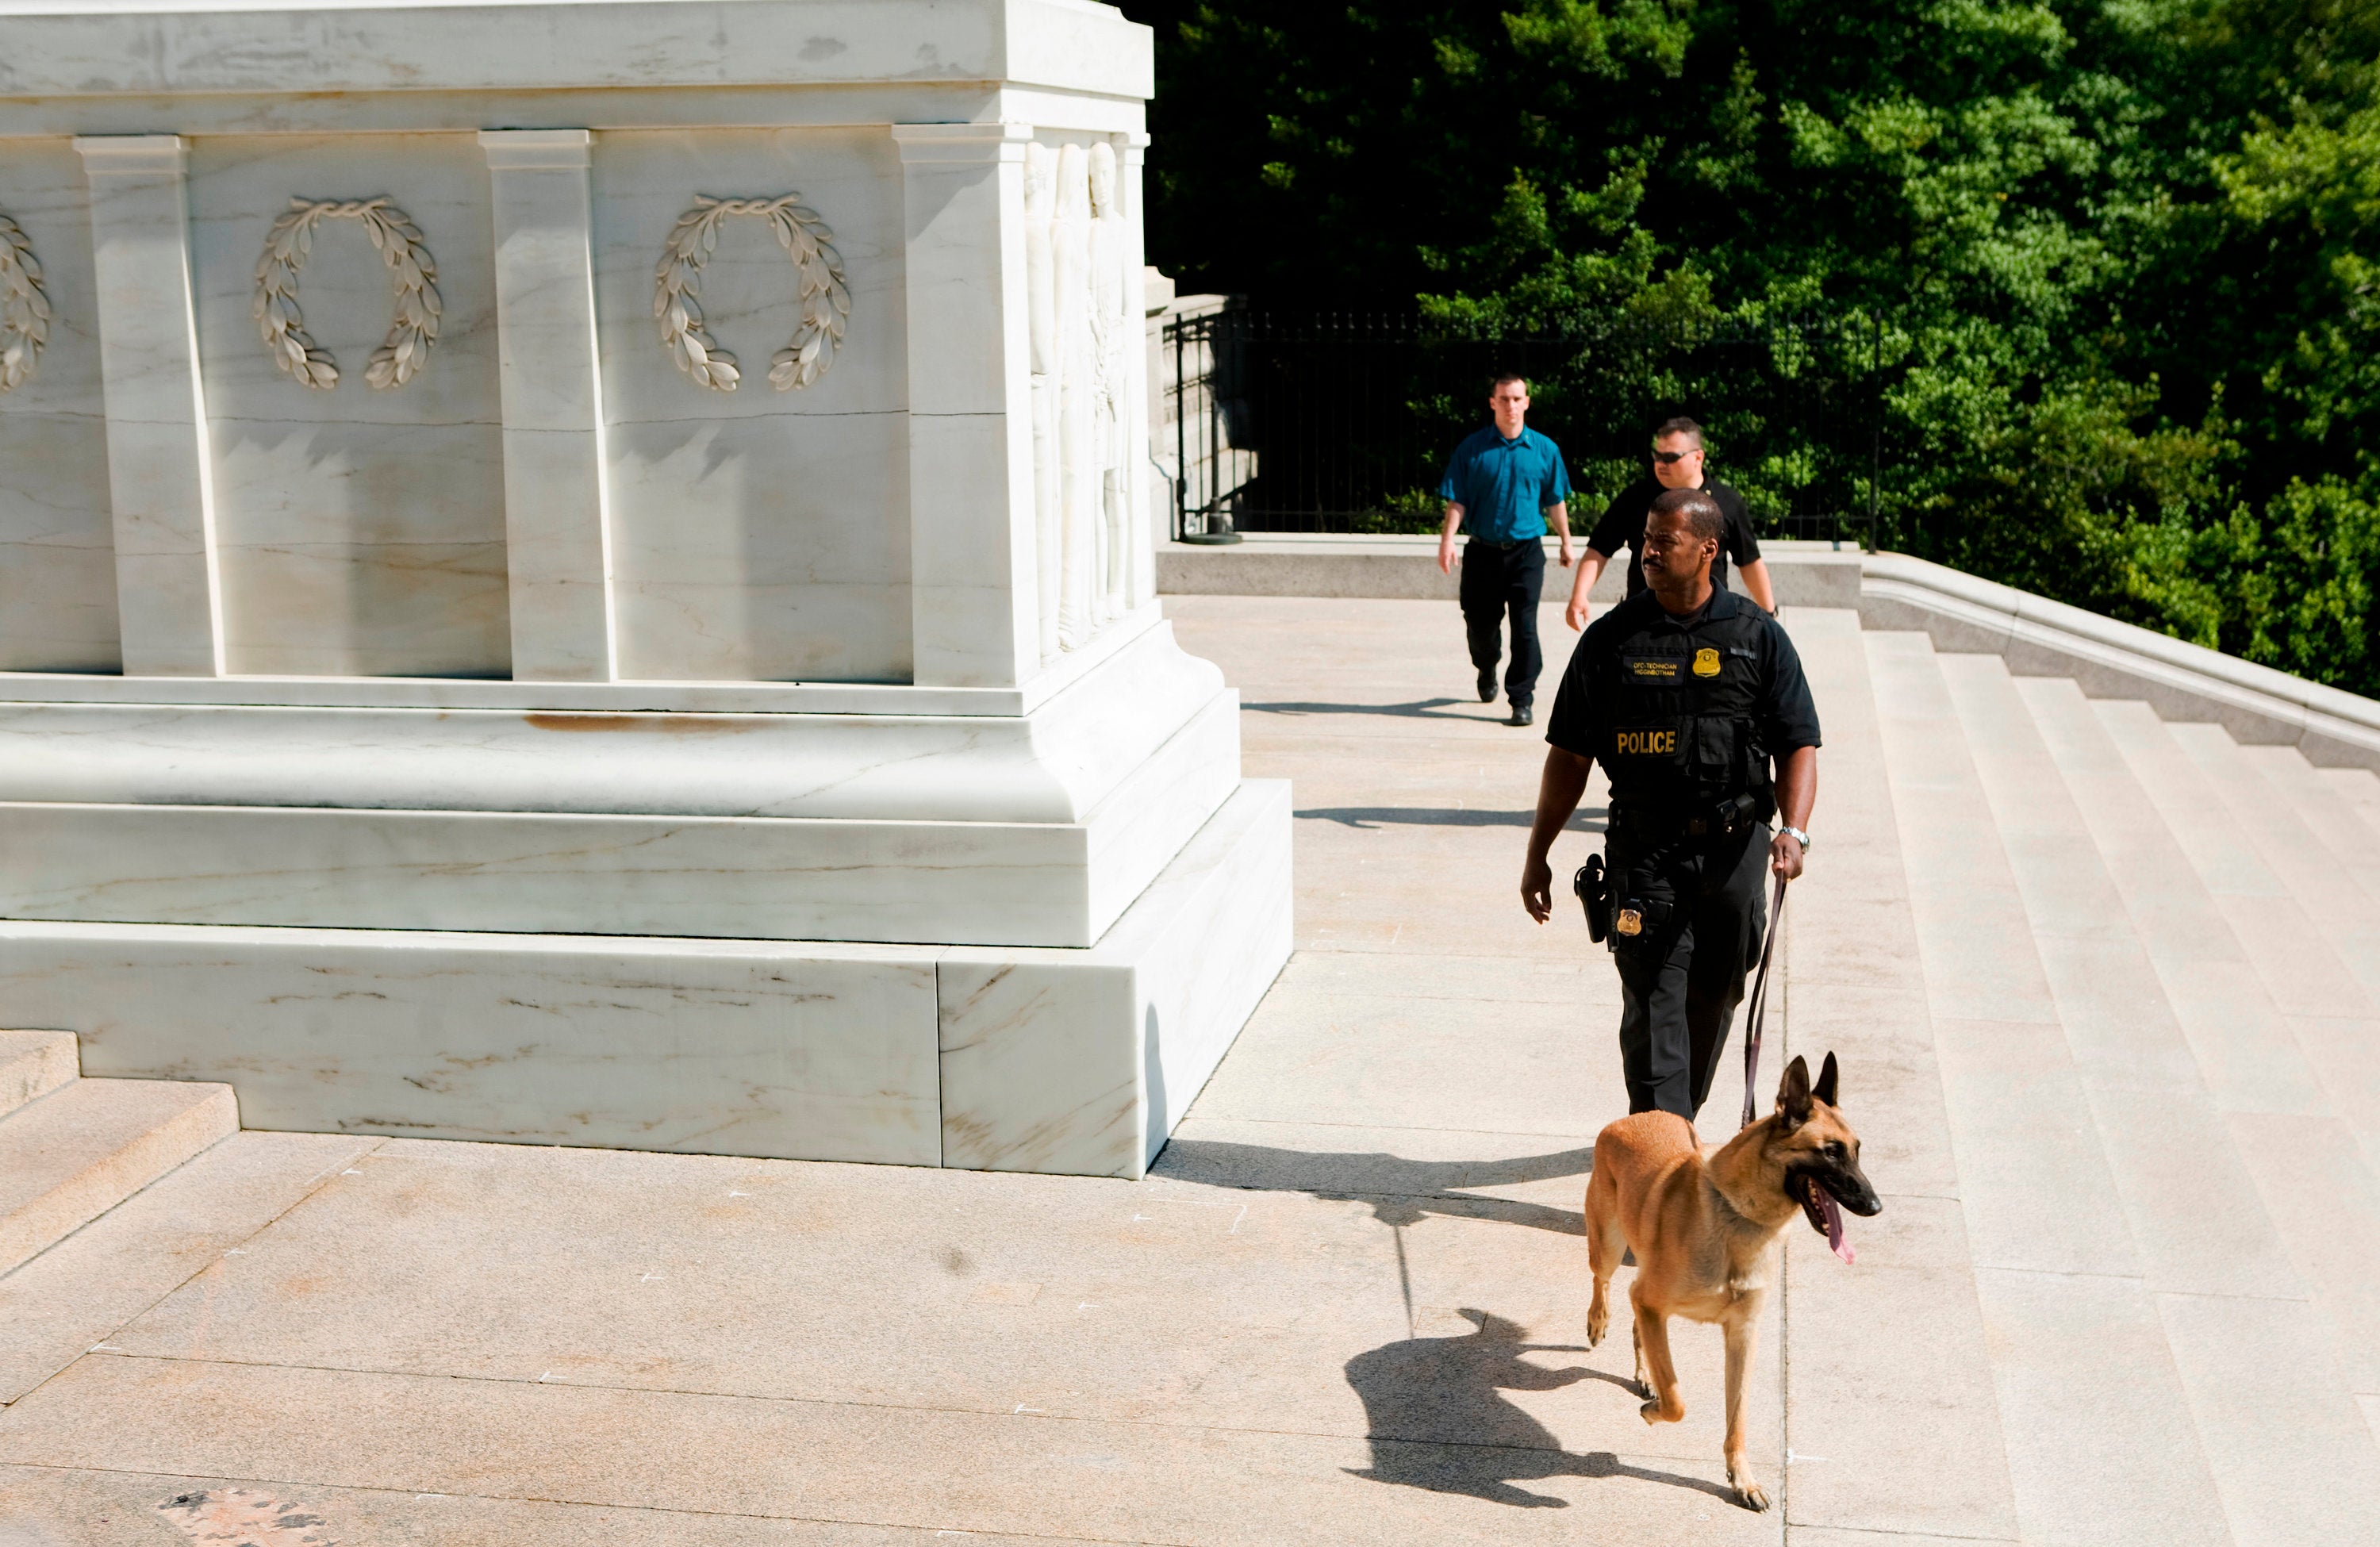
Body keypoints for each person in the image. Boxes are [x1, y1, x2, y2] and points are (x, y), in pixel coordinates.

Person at [1520, 487, 1820, 1119]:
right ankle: (1663, 1150)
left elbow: (1799, 744)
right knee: (1654, 1003)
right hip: (1644, 855)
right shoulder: (1610, 641)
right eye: (1645, 540)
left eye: (1664, 541)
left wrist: (1794, 830)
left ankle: (1673, 1125)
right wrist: (1538, 853)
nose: (1647, 552)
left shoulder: (1759, 638)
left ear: (1709, 550)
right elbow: (1568, 757)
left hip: (1735, 853)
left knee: (1712, 999)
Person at [1437, 374, 1576, 727]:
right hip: (1482, 552)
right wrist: (1447, 540)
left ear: (1527, 402)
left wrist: (1566, 540)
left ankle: (1521, 698)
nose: (1511, 405)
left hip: (1526, 553)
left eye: (1517, 398)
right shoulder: (1473, 448)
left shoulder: (1545, 450)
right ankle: (1487, 666)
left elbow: (1555, 500)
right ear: (1493, 403)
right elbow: (1458, 499)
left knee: (1525, 626)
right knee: (1479, 624)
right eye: (1504, 399)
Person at [1566, 417, 1774, 631]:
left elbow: (1749, 561)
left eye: (1671, 457)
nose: (1661, 463)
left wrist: (1768, 614)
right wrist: (1579, 596)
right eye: (1657, 456)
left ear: (1698, 457)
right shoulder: (1635, 498)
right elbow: (1599, 550)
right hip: (1643, 621)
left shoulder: (1727, 501)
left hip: (1709, 623)